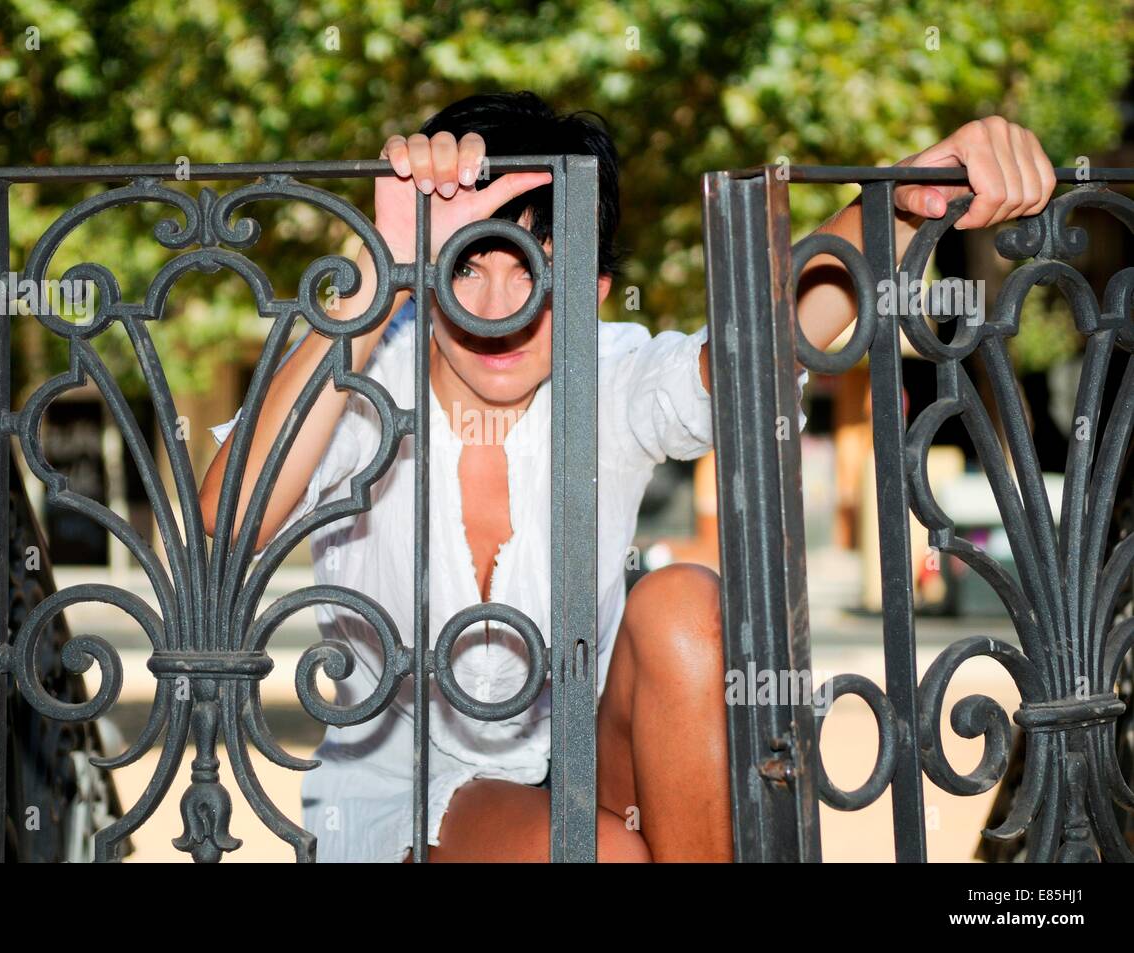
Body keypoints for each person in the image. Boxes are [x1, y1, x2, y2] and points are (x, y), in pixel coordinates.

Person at [198, 91, 1055, 862]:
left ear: (593, 289)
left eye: (533, 264)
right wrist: (376, 275)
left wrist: (895, 206)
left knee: (681, 601)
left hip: (590, 762)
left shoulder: (605, 371)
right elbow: (220, 525)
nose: (498, 307)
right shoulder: (369, 375)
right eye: (467, 263)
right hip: (406, 802)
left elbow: (752, 351)